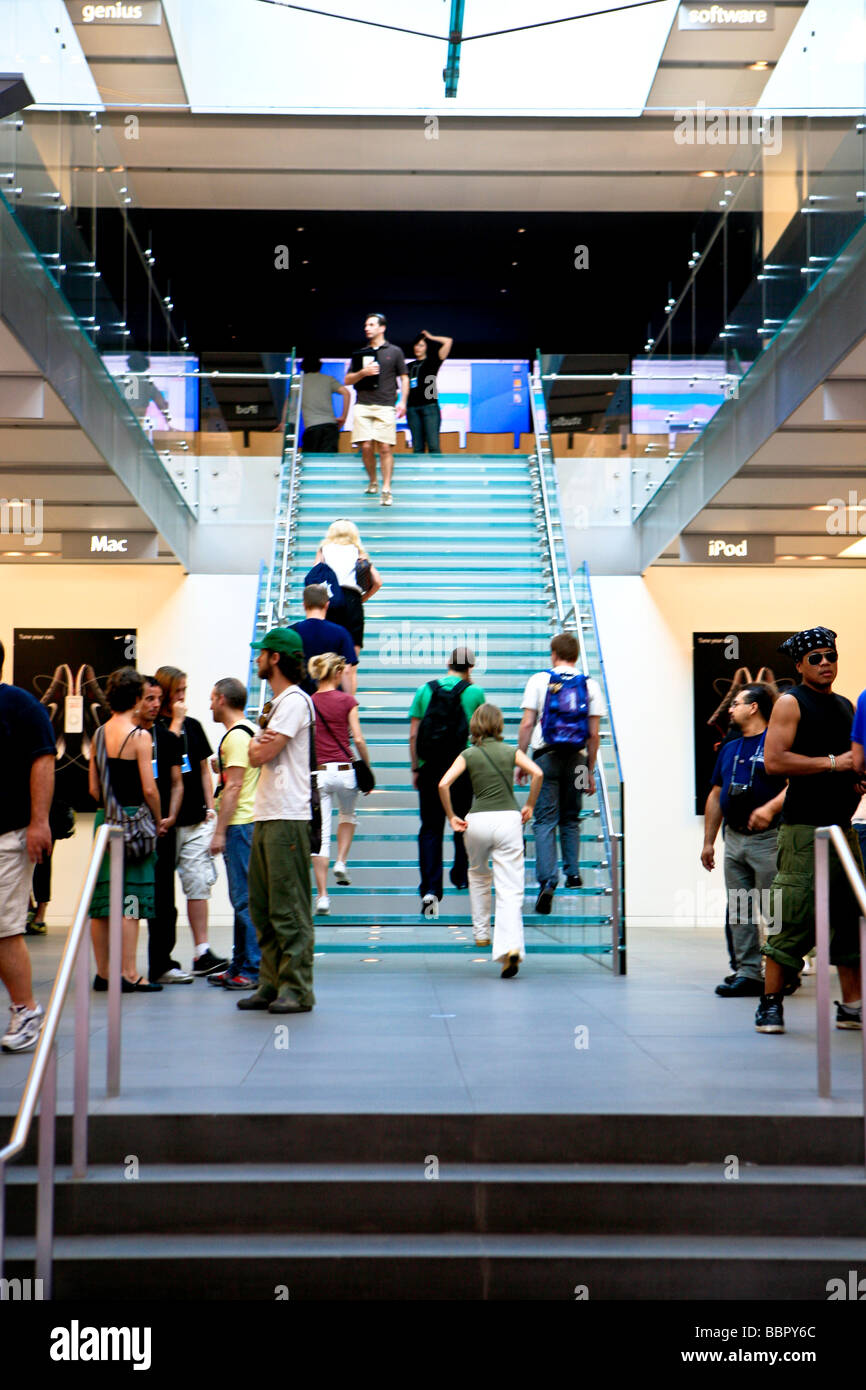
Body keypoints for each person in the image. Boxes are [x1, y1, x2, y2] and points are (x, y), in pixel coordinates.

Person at [758, 628, 864, 1034]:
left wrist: (857, 776)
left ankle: (852, 1006)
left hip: (842, 828)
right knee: (792, 915)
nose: (825, 663)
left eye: (830, 656)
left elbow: (854, 761)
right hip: (804, 830)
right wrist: (834, 764)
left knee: (852, 917)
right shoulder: (790, 702)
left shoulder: (845, 705)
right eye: (815, 658)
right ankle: (770, 1004)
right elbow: (775, 761)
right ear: (800, 665)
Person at [240, 628, 315, 1015]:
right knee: (264, 906)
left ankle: (297, 988)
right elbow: (259, 748)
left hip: (288, 814)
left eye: (262, 654)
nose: (257, 660)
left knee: (288, 908)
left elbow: (258, 754)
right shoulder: (277, 702)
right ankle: (270, 983)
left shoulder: (294, 702)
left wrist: (257, 745)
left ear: (276, 659)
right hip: (268, 813)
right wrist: (258, 744)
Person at [439, 703, 543, 975]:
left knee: (478, 874)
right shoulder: (511, 751)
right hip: (509, 820)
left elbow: (443, 784)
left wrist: (451, 816)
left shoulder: (469, 753)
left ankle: (482, 932)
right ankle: (510, 948)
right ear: (499, 725)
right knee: (509, 888)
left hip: (477, 822)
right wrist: (529, 804)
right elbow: (538, 773)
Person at [701, 684, 786, 998]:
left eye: (736, 703)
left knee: (774, 909)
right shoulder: (729, 747)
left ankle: (783, 972)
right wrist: (709, 841)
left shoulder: (777, 742)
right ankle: (749, 973)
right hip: (734, 839)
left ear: (753, 708)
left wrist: (769, 808)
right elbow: (714, 794)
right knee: (740, 908)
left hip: (769, 839)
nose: (730, 709)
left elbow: (795, 785)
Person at [517, 632, 605, 914]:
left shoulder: (539, 680)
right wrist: (589, 772)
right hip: (578, 760)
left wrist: (521, 760)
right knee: (571, 818)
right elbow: (593, 734)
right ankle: (574, 872)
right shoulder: (590, 685)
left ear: (553, 654)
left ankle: (547, 883)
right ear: (577, 655)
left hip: (545, 758)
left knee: (544, 821)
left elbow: (527, 724)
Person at [88, 667, 163, 994]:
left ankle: (104, 973)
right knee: (130, 900)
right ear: (135, 698)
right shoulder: (140, 737)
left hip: (105, 821)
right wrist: (157, 819)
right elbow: (149, 789)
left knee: (103, 900)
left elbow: (93, 788)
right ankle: (129, 972)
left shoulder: (99, 734)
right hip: (133, 823)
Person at [154, 667, 227, 978]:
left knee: (198, 884)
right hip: (166, 824)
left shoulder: (194, 727)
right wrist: (176, 722)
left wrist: (211, 809)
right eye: (178, 689)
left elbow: (202, 771)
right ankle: (162, 958)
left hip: (195, 820)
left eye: (186, 688)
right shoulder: (157, 729)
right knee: (161, 894)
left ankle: (202, 951)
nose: (183, 695)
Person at [0, 639, 54, 1052]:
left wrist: (39, 822)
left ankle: (27, 1010)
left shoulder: (20, 705)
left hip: (10, 836)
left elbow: (43, 759)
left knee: (4, 929)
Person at [409, 647, 486, 920]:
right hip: (461, 767)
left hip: (430, 768)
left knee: (430, 828)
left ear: (448, 663)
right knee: (462, 821)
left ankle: (430, 891)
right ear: (471, 667)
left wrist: (416, 767)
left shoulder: (424, 690)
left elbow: (414, 734)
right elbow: (480, 735)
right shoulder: (475, 693)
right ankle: (460, 874)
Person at [136, 676, 190, 985]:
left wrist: (168, 817)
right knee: (128, 900)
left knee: (164, 901)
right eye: (149, 699)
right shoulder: (125, 736)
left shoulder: (169, 738)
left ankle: (161, 963)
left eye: (158, 699)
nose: (156, 705)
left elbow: (177, 782)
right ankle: (119, 968)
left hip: (163, 831)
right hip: (133, 830)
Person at [208, 678, 261, 990]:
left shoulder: (236, 738)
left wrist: (219, 832)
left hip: (240, 825)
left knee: (244, 900)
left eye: (212, 699)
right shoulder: (247, 732)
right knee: (242, 899)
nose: (210, 705)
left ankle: (253, 969)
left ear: (223, 699)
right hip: (245, 824)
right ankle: (239, 964)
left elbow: (235, 787)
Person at [309, 652, 371, 913]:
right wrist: (366, 766)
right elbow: (357, 738)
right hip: (345, 770)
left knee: (320, 838)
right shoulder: (348, 701)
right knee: (348, 814)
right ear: (337, 674)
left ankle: (323, 897)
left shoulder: (309, 701)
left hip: (319, 772)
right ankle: (342, 862)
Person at [344, 312, 408, 506]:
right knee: (365, 446)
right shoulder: (360, 353)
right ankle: (373, 480)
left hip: (386, 404)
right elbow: (347, 380)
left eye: (371, 325)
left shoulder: (395, 351)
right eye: (366, 325)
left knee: (385, 447)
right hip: (362, 404)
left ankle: (386, 488)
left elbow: (404, 377)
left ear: (382, 328)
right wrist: (363, 372)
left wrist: (403, 401)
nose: (367, 328)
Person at [315, 519, 382, 660]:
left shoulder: (324, 549)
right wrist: (362, 599)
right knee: (350, 662)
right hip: (353, 601)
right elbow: (378, 582)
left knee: (328, 659)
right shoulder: (358, 552)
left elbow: (315, 577)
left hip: (330, 599)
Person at [292, 583, 359, 696]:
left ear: (304, 605)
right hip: (332, 702)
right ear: (327, 605)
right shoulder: (341, 633)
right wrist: (348, 702)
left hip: (301, 700)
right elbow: (346, 672)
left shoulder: (292, 632)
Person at [406, 329, 452, 454]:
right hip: (412, 409)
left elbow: (448, 341)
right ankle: (418, 473)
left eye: (421, 345)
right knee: (418, 448)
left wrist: (431, 336)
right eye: (416, 345)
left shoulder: (433, 361)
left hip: (430, 406)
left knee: (433, 446)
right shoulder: (408, 366)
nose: (417, 348)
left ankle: (436, 473)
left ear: (426, 347)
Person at [300, 353, 350, 453]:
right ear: (319, 366)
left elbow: (289, 403)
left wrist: (283, 422)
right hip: (330, 426)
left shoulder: (299, 381)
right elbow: (346, 393)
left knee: (310, 462)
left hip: (311, 427)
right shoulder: (328, 379)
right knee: (328, 461)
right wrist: (343, 417)